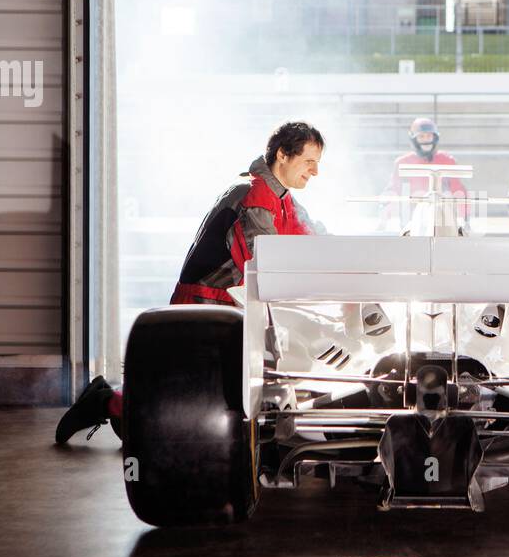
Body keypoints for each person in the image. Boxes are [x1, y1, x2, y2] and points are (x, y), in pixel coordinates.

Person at [54, 121, 326, 444]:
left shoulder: (279, 198)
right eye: (310, 162)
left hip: (227, 306)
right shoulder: (254, 197)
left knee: (188, 394)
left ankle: (119, 409)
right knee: (183, 396)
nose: (315, 172)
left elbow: (310, 237)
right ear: (283, 154)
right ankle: (104, 402)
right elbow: (264, 263)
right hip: (203, 307)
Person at [382, 118, 467, 225]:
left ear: (435, 138)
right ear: (414, 139)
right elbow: (393, 190)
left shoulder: (447, 160)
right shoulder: (403, 162)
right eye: (421, 136)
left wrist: (462, 216)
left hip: (442, 219)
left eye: (429, 136)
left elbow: (458, 190)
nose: (426, 140)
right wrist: (386, 212)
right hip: (411, 220)